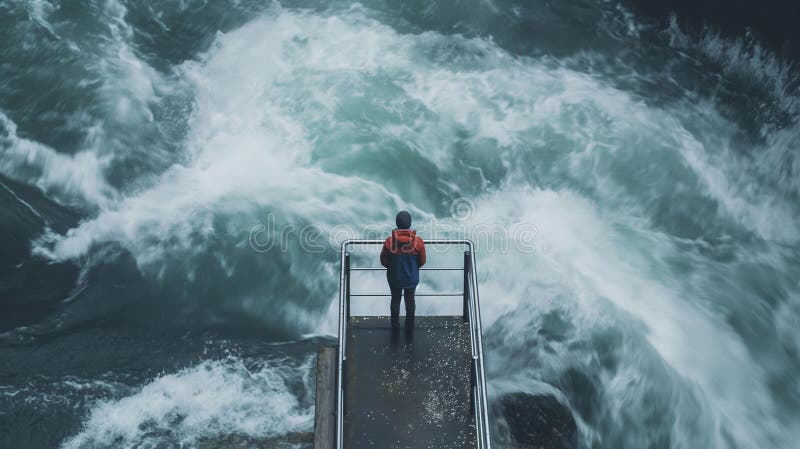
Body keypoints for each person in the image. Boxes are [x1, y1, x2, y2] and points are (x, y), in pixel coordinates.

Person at [380, 211, 426, 330]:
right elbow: (422, 261)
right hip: (411, 278)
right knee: (410, 301)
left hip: (394, 278)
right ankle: (409, 326)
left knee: (395, 300)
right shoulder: (418, 242)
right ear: (410, 224)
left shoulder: (389, 241)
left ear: (397, 223)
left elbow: (384, 261)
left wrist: (393, 267)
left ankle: (395, 325)